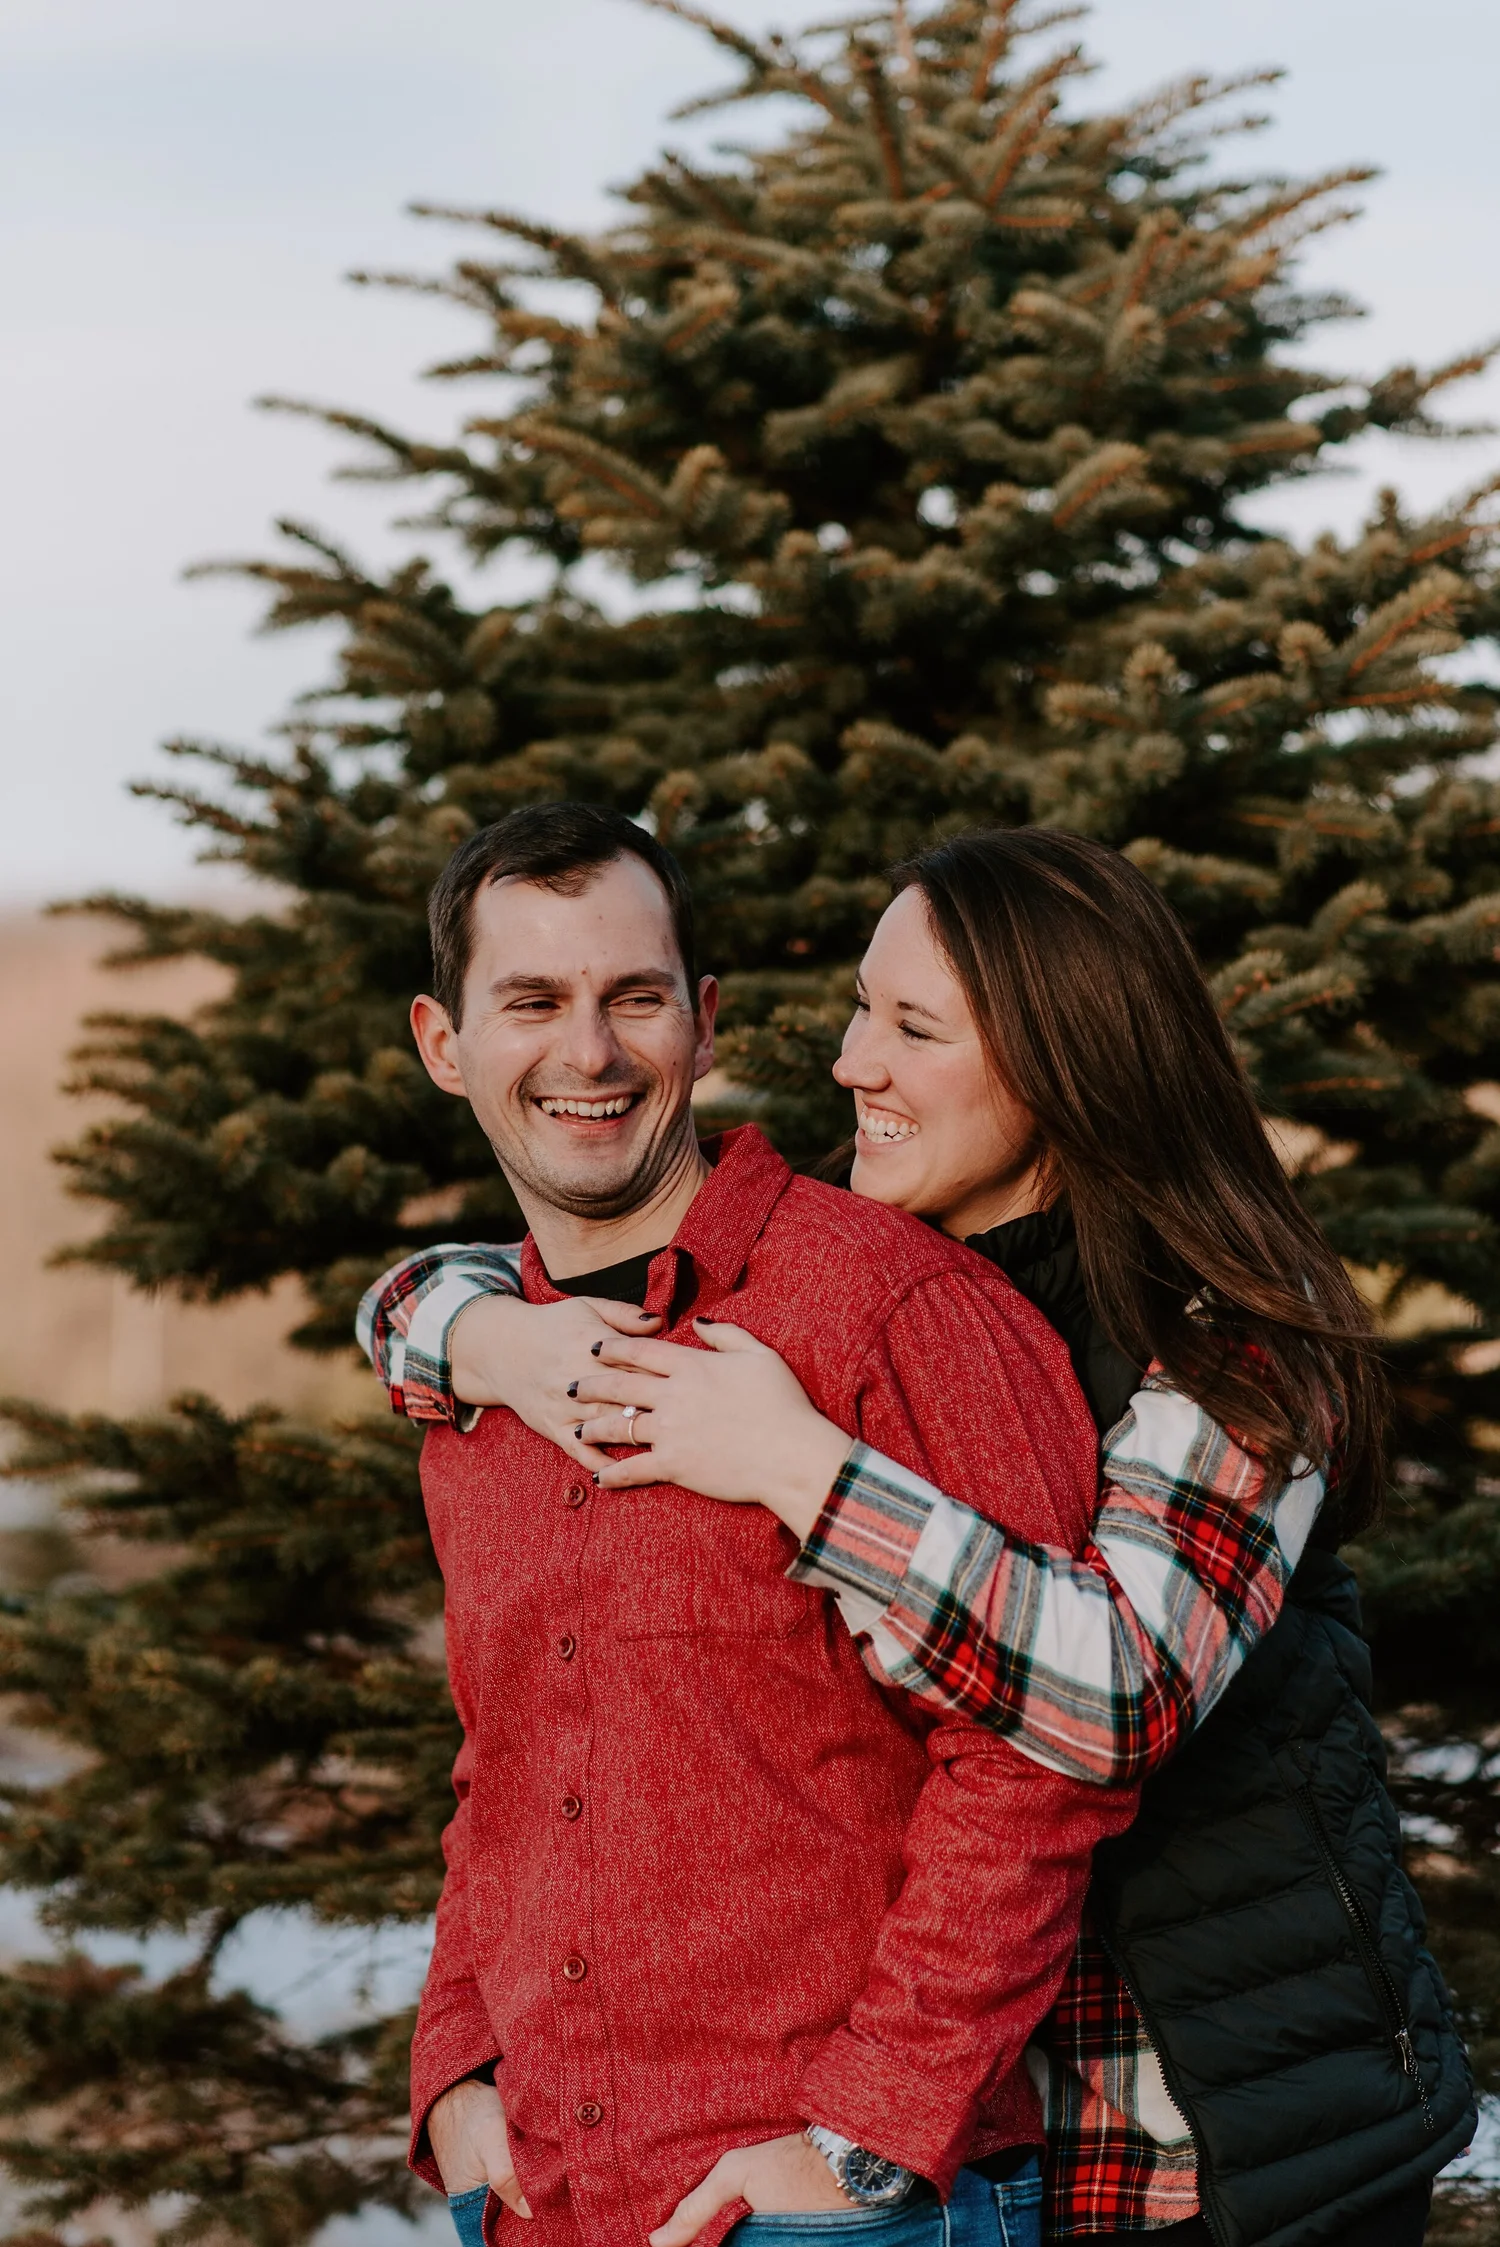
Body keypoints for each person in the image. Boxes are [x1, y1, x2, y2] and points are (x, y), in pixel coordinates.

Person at [361, 828, 1476, 2247]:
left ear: (1058, 1066)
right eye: (858, 1010)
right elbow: (516, 1716)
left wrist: (795, 1460)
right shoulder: (855, 1271)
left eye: (911, 1027)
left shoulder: (1226, 1352)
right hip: (998, 2140)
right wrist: (482, 1334)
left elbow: (1113, 1692)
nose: (850, 1063)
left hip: (1221, 2137)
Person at [385, 803, 1141, 2247]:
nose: (589, 1053)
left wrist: (867, 2139)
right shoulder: (475, 1375)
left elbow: (1036, 1760)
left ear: (706, 1021)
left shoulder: (890, 1305)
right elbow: (506, 1751)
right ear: (444, 1042)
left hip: (845, 2214)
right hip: (544, 2199)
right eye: (532, 1002)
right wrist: (459, 2068)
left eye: (635, 998)